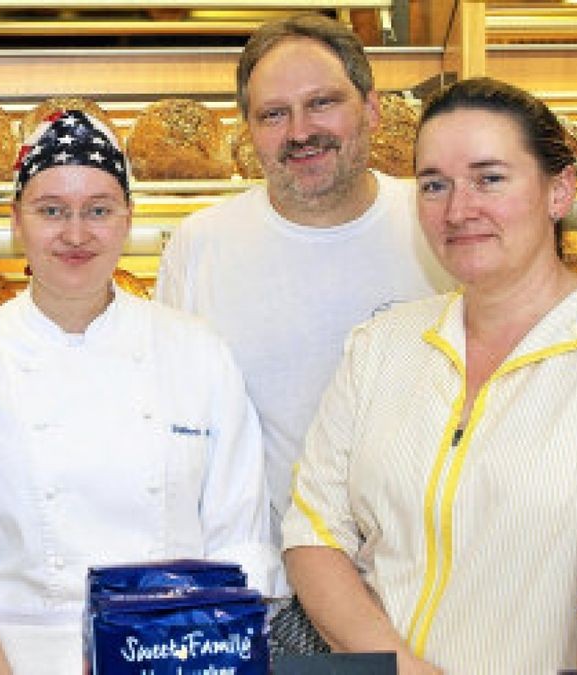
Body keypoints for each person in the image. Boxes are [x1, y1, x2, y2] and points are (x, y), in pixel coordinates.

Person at [282, 77, 577, 673]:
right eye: (435, 185)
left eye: (490, 178)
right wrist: (402, 667)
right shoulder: (382, 345)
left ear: (559, 191)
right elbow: (314, 531)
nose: (459, 210)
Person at [0, 109, 279, 674]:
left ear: (128, 219)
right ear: (17, 222)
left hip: (179, 660)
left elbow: (238, 549)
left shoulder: (198, 354)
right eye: (51, 210)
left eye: (98, 210)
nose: (76, 234)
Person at [155, 13, 451, 562]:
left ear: (372, 108)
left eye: (322, 103)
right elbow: (174, 435)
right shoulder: (201, 246)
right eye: (274, 114)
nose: (299, 132)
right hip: (267, 587)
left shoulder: (440, 224)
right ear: (249, 130)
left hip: (429, 578)